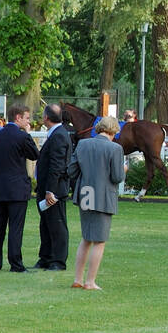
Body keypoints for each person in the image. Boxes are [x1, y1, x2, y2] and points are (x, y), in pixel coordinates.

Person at [65, 115, 125, 290]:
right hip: (103, 195)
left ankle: (78, 278)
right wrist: (124, 169)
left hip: (85, 193)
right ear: (113, 131)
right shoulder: (115, 148)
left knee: (86, 238)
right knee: (99, 240)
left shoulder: (83, 144)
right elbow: (117, 176)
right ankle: (90, 281)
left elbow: (72, 171)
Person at [0, 104, 39, 272]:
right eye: (27, 118)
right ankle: (15, 263)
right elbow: (34, 154)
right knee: (15, 228)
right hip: (17, 190)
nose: (28, 121)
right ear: (18, 118)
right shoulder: (22, 137)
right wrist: (28, 135)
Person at [34, 104, 72, 270]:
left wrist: (51, 190)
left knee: (57, 225)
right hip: (48, 188)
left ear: (46, 118)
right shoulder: (57, 134)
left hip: (54, 190)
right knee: (46, 225)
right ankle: (46, 257)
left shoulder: (58, 136)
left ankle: (57, 260)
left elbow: (57, 166)